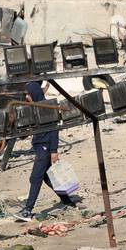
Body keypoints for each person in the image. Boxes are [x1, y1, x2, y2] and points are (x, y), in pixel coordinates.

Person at [14, 78, 78, 223]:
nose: (26, 97)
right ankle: (67, 201)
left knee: (35, 178)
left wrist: (54, 151)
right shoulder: (35, 107)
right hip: (40, 146)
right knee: (48, 178)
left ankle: (27, 210)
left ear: (34, 94)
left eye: (28, 94)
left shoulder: (46, 108)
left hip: (45, 148)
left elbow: (54, 129)